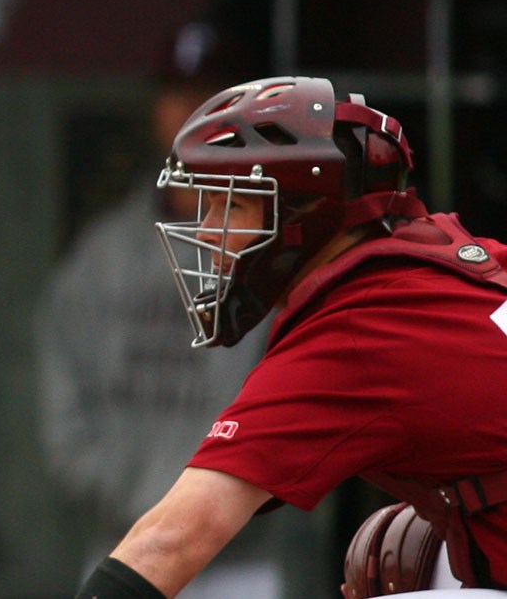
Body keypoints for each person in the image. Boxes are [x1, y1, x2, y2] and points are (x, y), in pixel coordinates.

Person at [72, 76, 507, 599]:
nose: (207, 230)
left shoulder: (355, 327)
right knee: (403, 551)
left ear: (306, 214)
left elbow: (172, 539)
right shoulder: (457, 258)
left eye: (232, 205)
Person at [36, 15, 284, 599]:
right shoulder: (103, 253)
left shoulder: (280, 248)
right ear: (157, 112)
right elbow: (62, 405)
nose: (196, 116)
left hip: (240, 566)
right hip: (123, 552)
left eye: (213, 99)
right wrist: (124, 493)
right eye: (181, 97)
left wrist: (227, 504)